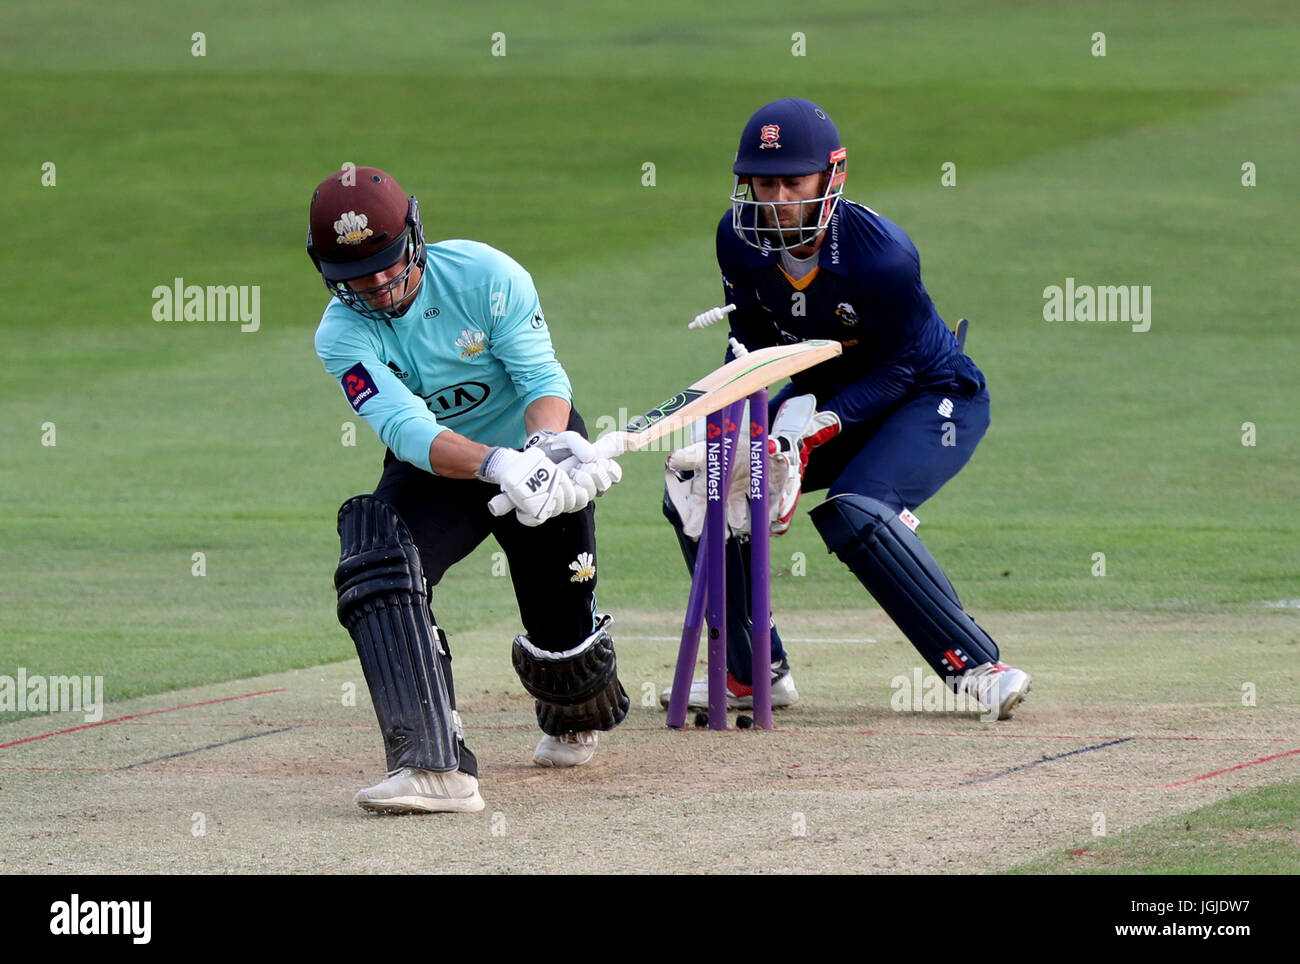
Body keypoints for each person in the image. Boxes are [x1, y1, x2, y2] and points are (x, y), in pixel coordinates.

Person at [660, 99, 1032, 720]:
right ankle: (753, 671)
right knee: (703, 489)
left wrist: (807, 436)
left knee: (857, 509)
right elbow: (753, 346)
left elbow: (901, 368)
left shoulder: (881, 256)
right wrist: (742, 431)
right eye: (762, 181)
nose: (774, 197)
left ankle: (978, 666)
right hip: (825, 395)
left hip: (931, 397)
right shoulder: (737, 240)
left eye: (791, 182)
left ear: (830, 180)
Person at [307, 166, 628, 813]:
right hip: (441, 468)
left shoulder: (486, 275)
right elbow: (407, 429)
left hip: (538, 441)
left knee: (564, 651)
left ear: (415, 237)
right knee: (379, 564)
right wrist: (497, 466)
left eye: (386, 263)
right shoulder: (341, 335)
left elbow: (541, 376)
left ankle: (572, 707)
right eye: (354, 276)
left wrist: (542, 452)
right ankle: (434, 762)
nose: (374, 284)